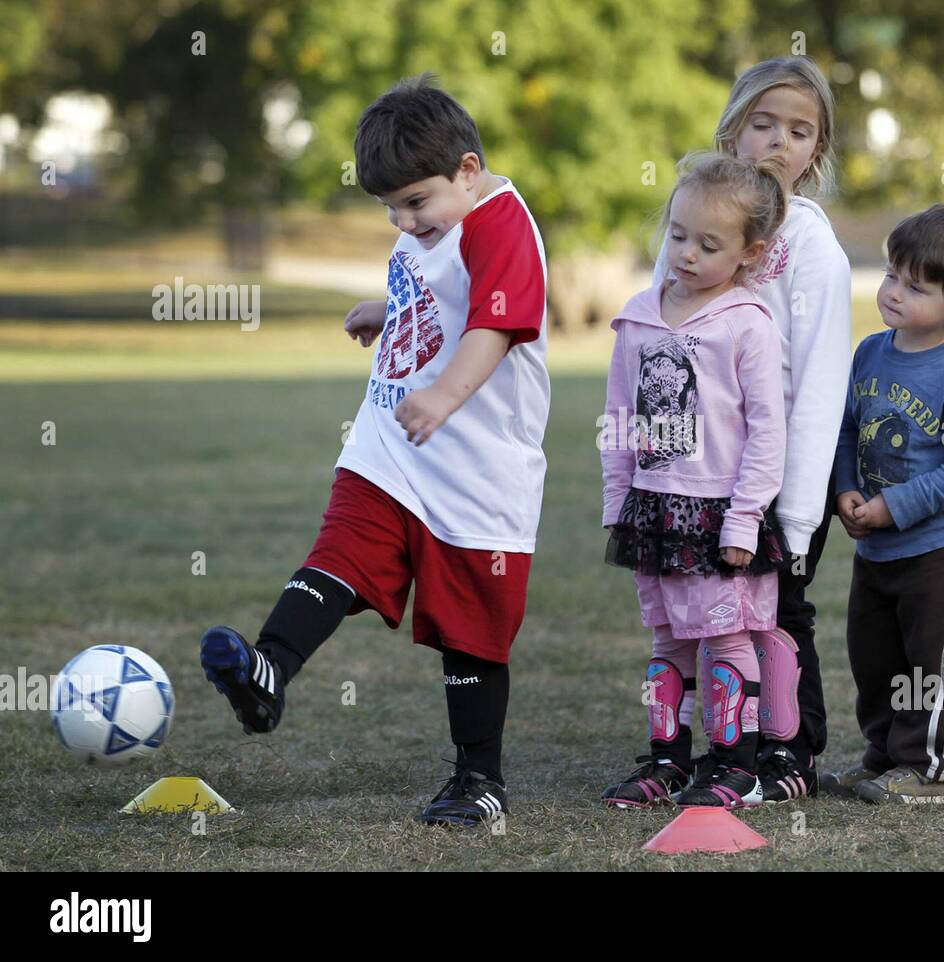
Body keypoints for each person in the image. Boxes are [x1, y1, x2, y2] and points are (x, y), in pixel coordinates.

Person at [198, 74, 550, 828]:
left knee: (472, 627)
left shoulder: (500, 224)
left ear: (466, 168)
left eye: (415, 202)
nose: (403, 219)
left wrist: (446, 396)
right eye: (389, 208)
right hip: (388, 442)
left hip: (477, 469)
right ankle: (268, 669)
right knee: (341, 555)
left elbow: (494, 326)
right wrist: (386, 308)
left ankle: (478, 780)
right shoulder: (434, 217)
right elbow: (434, 288)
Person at [653, 57, 851, 801]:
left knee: (779, 610)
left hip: (779, 472)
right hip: (697, 470)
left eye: (799, 131)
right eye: (763, 122)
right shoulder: (693, 224)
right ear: (732, 127)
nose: (777, 141)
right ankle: (725, 748)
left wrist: (797, 508)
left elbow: (823, 382)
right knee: (709, 608)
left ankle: (790, 749)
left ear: (815, 151)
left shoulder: (813, 248)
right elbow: (659, 348)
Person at [601, 153, 789, 809]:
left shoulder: (747, 323)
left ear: (749, 251)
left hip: (720, 514)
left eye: (709, 245)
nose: (686, 253)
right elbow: (620, 419)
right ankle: (667, 763)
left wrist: (744, 518)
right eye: (678, 234)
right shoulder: (638, 316)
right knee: (668, 637)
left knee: (726, 635)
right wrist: (616, 502)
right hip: (653, 509)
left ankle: (737, 767)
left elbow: (769, 430)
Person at [824, 204, 944, 804]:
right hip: (875, 548)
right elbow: (848, 429)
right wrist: (847, 489)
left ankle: (930, 765)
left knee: (934, 663)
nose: (893, 292)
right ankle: (883, 755)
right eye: (891, 275)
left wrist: (891, 507)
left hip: (938, 551)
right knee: (874, 659)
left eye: (914, 286)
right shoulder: (871, 351)